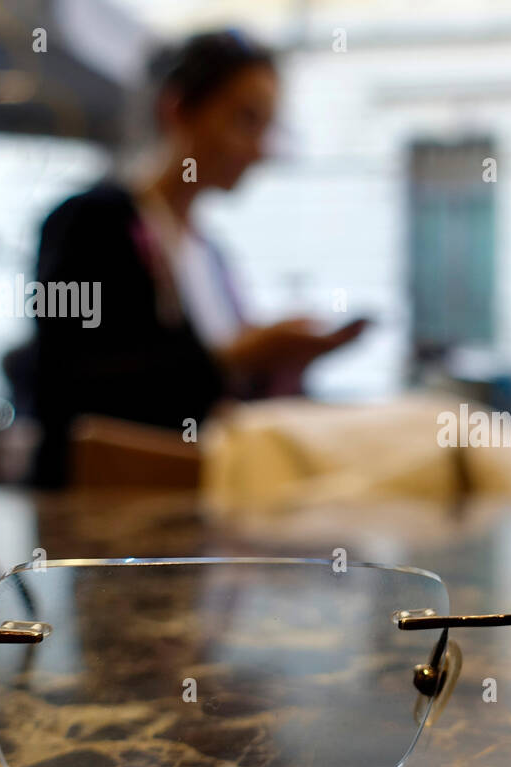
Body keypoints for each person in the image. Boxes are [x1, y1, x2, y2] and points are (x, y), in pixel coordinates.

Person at [30, 30, 366, 486]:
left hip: (190, 510)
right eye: (246, 120)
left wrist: (280, 363)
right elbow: (62, 381)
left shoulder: (212, 255)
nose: (260, 148)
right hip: (105, 518)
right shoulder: (91, 222)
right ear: (178, 109)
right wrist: (234, 358)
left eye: (267, 127)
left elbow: (209, 400)